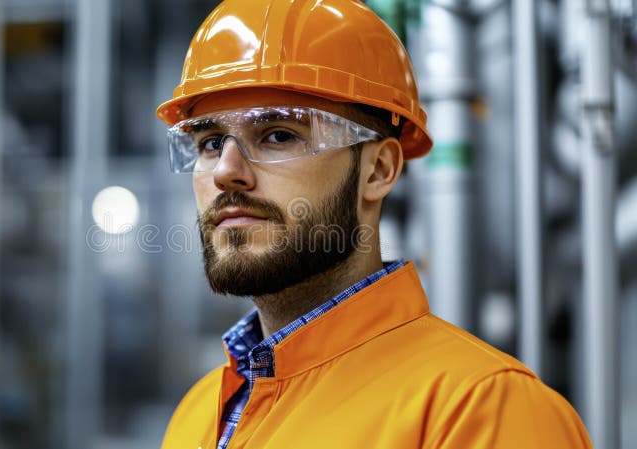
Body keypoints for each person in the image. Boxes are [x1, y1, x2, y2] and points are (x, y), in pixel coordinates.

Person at [155, 0, 593, 448]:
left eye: (278, 135)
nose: (226, 170)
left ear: (379, 170)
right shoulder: (198, 415)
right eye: (209, 143)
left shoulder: (484, 411)